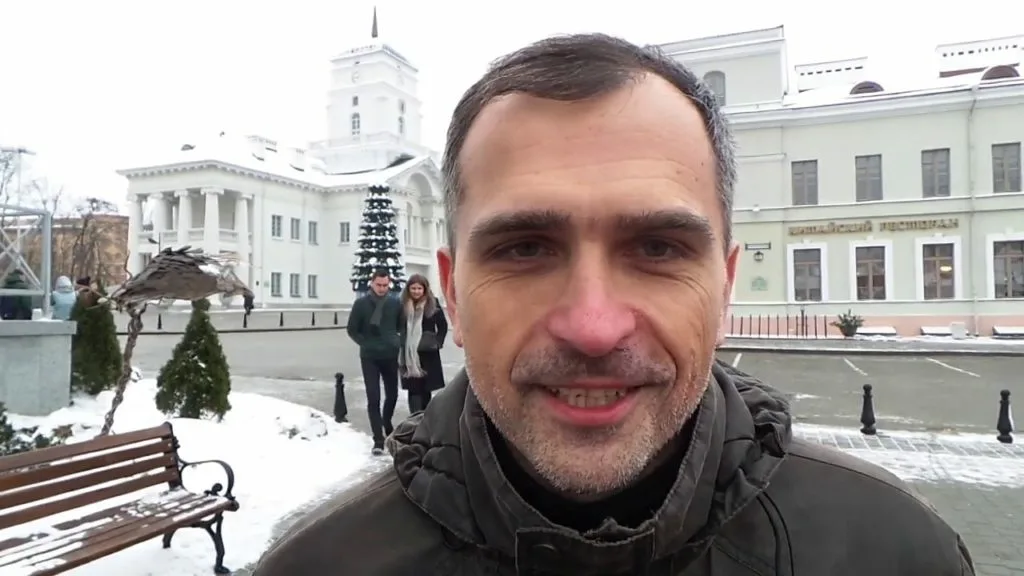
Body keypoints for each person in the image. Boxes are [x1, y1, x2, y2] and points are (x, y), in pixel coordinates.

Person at [254, 34, 974, 575]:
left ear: (724, 286)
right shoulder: (320, 565)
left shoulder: (896, 553)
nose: (593, 327)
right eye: (524, 249)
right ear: (453, 293)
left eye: (658, 248)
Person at [346, 268, 403, 456]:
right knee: (373, 397)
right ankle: (378, 439)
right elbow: (352, 329)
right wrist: (365, 343)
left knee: (392, 395)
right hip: (369, 357)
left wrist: (395, 341)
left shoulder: (394, 303)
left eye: (385, 285)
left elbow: (401, 325)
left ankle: (386, 422)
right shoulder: (361, 304)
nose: (382, 288)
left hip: (390, 355)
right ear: (372, 283)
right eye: (379, 285)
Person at [398, 274, 448, 413]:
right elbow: (398, 325)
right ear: (408, 289)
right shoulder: (402, 304)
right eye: (413, 288)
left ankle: (425, 416)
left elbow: (442, 326)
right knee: (413, 389)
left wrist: (438, 342)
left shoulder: (433, 303)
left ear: (425, 289)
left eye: (419, 288)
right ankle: (415, 418)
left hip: (428, 353)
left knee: (426, 389)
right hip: (409, 354)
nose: (416, 291)